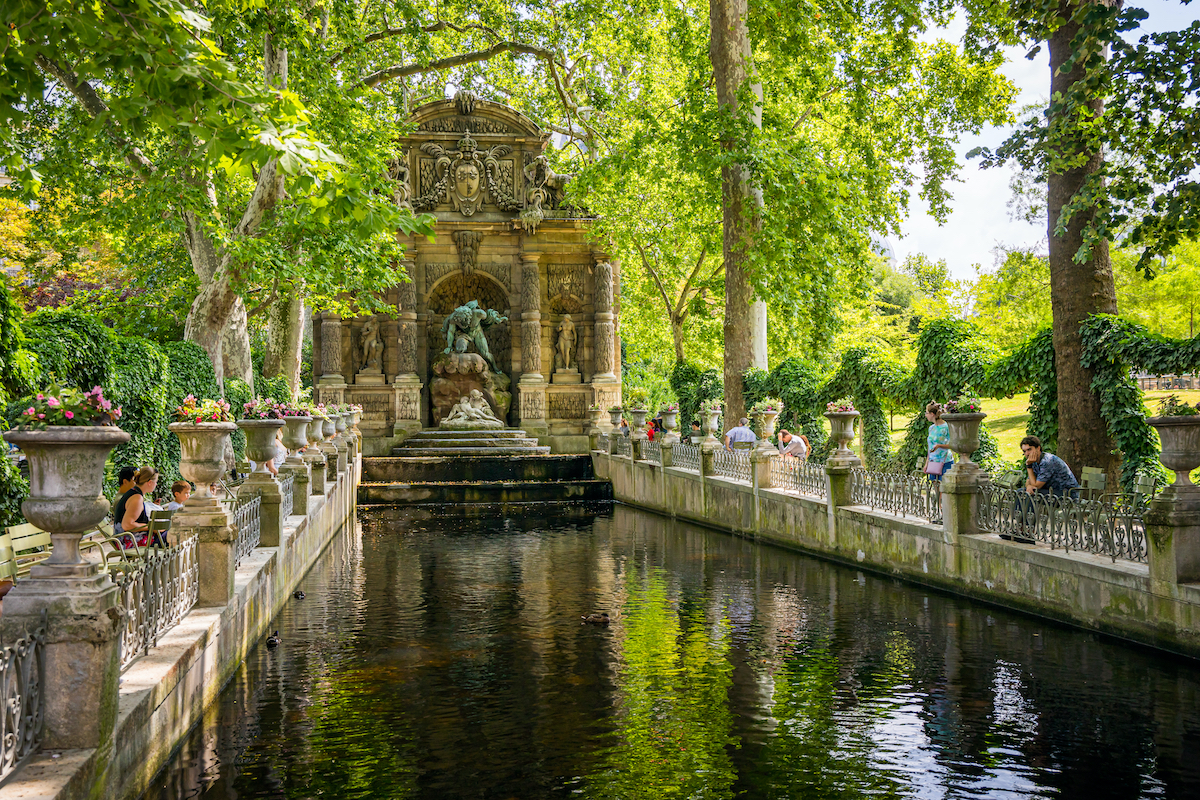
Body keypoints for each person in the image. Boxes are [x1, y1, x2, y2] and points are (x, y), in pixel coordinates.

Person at [114, 466, 158, 547]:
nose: (156, 484)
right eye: (156, 482)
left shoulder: (133, 493)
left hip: (125, 539)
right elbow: (127, 525)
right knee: (171, 536)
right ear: (149, 482)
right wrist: (152, 526)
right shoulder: (137, 498)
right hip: (129, 542)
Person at [924, 403, 953, 482]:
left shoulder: (947, 427)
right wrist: (927, 463)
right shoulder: (931, 428)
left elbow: (953, 444)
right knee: (935, 488)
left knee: (943, 489)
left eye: (926, 413)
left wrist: (939, 446)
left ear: (932, 414)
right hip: (933, 462)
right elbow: (930, 447)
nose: (925, 415)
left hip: (945, 462)